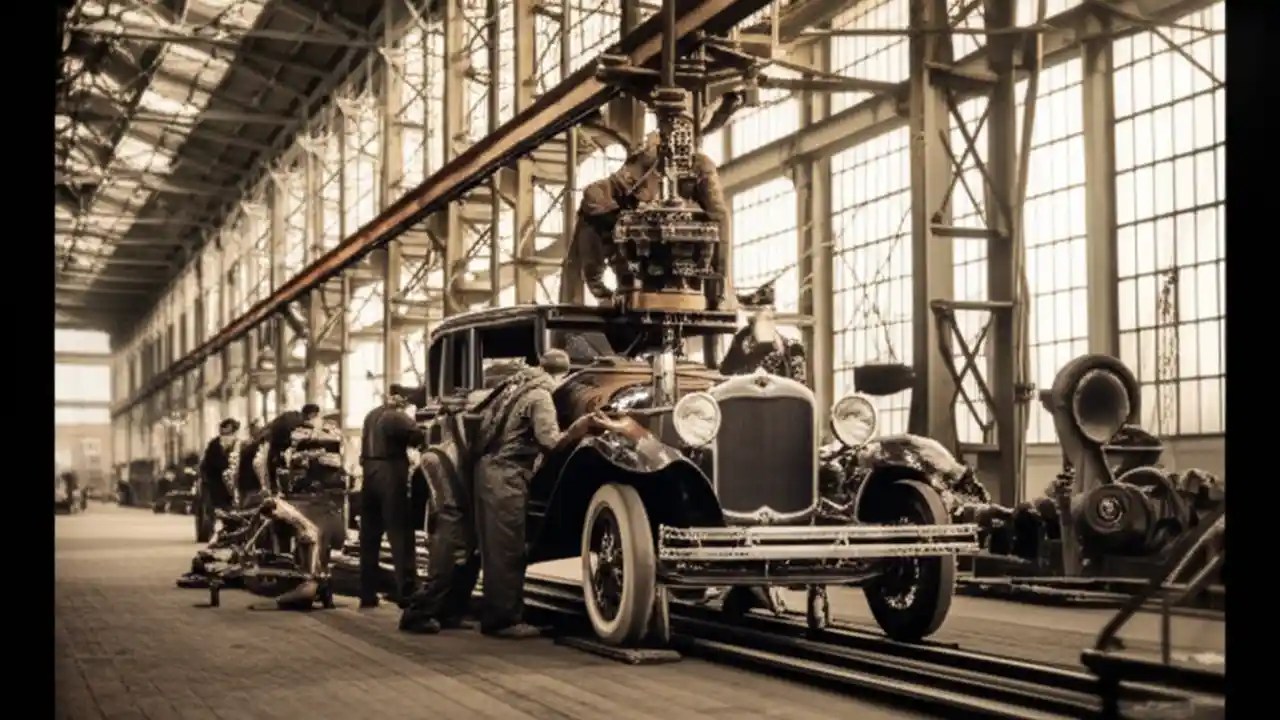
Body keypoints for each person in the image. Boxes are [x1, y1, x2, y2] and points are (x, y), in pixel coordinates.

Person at [467, 349, 612, 638]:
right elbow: (551, 442)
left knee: (495, 547)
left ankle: (496, 613)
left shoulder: (518, 386)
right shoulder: (542, 396)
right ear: (563, 376)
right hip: (507, 475)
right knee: (507, 549)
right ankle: (503, 621)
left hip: (489, 472)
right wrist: (579, 428)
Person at [563, 131, 733, 308]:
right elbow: (589, 247)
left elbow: (719, 217)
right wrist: (602, 292)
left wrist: (718, 284)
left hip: (680, 274)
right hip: (640, 277)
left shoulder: (698, 166)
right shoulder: (612, 190)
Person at [359, 385, 427, 609]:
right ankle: (407, 593)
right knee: (400, 535)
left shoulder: (371, 416)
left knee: (369, 537)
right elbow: (419, 437)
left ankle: (367, 594)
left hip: (369, 474)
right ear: (400, 400)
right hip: (390, 474)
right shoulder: (396, 417)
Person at [199, 419, 241, 523]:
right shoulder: (214, 445)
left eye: (231, 432)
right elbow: (208, 464)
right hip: (215, 481)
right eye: (226, 431)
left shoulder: (239, 444)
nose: (228, 435)